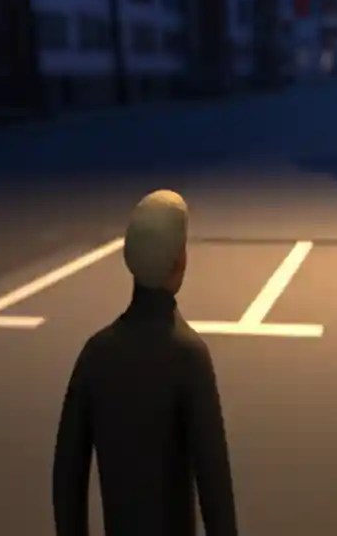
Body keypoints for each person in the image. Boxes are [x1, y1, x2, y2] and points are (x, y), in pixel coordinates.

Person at [52, 189, 239, 536]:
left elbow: (67, 480)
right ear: (180, 260)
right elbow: (215, 492)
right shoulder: (189, 356)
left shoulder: (95, 354)